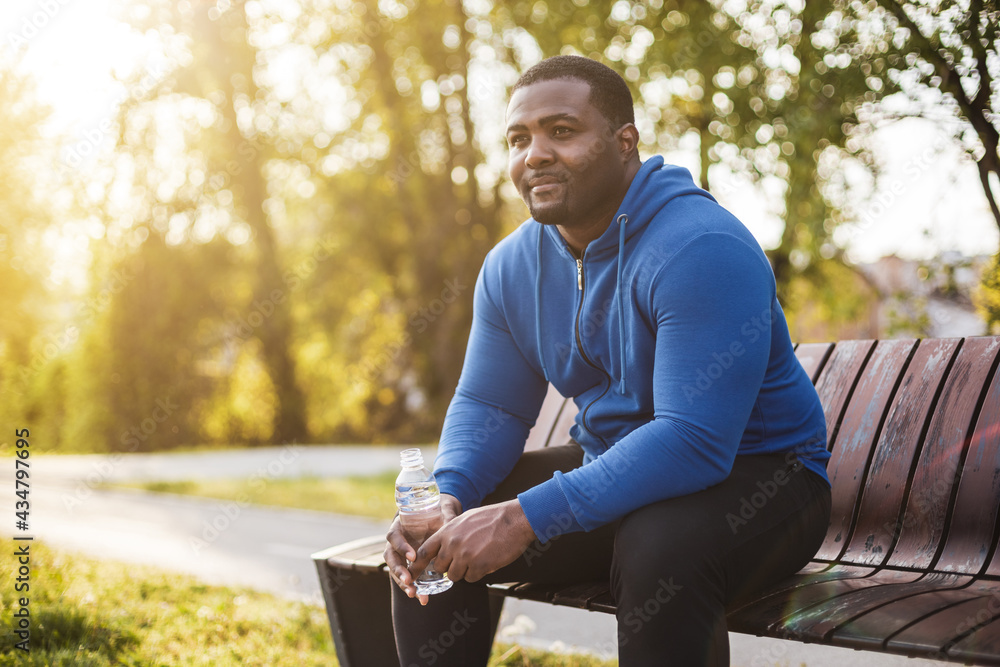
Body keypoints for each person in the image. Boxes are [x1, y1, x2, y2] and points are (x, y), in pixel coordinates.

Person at [384, 54, 832, 666]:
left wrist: (523, 519)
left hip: (762, 477)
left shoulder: (701, 247)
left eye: (561, 132)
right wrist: (451, 495)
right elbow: (489, 403)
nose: (534, 153)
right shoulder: (511, 265)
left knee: (660, 546)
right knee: (429, 537)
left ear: (626, 143)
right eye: (519, 138)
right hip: (616, 466)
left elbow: (694, 440)